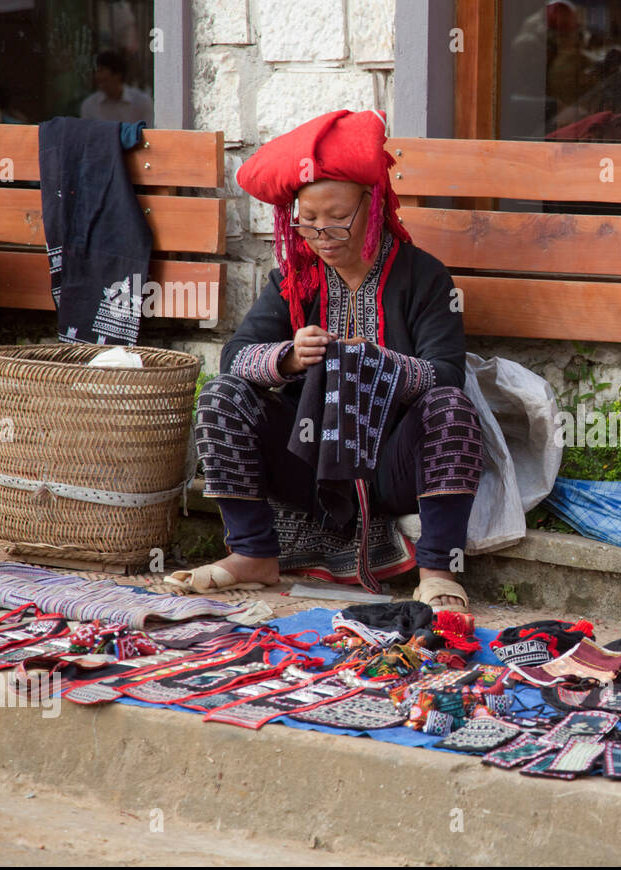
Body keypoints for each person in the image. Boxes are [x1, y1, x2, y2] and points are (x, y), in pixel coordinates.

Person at [171, 109, 482, 610]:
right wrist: (289, 357)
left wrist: (378, 365)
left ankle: (439, 569)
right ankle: (252, 553)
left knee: (451, 410)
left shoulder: (425, 278)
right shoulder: (295, 278)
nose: (322, 235)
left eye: (338, 220)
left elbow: (447, 374)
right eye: (308, 222)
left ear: (373, 206)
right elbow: (235, 357)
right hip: (309, 463)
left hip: (391, 466)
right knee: (221, 395)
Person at [80, 51, 153, 126]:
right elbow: (88, 135)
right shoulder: (89, 105)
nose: (97, 76)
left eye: (101, 71)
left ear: (117, 74)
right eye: (96, 72)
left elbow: (148, 135)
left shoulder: (142, 102)